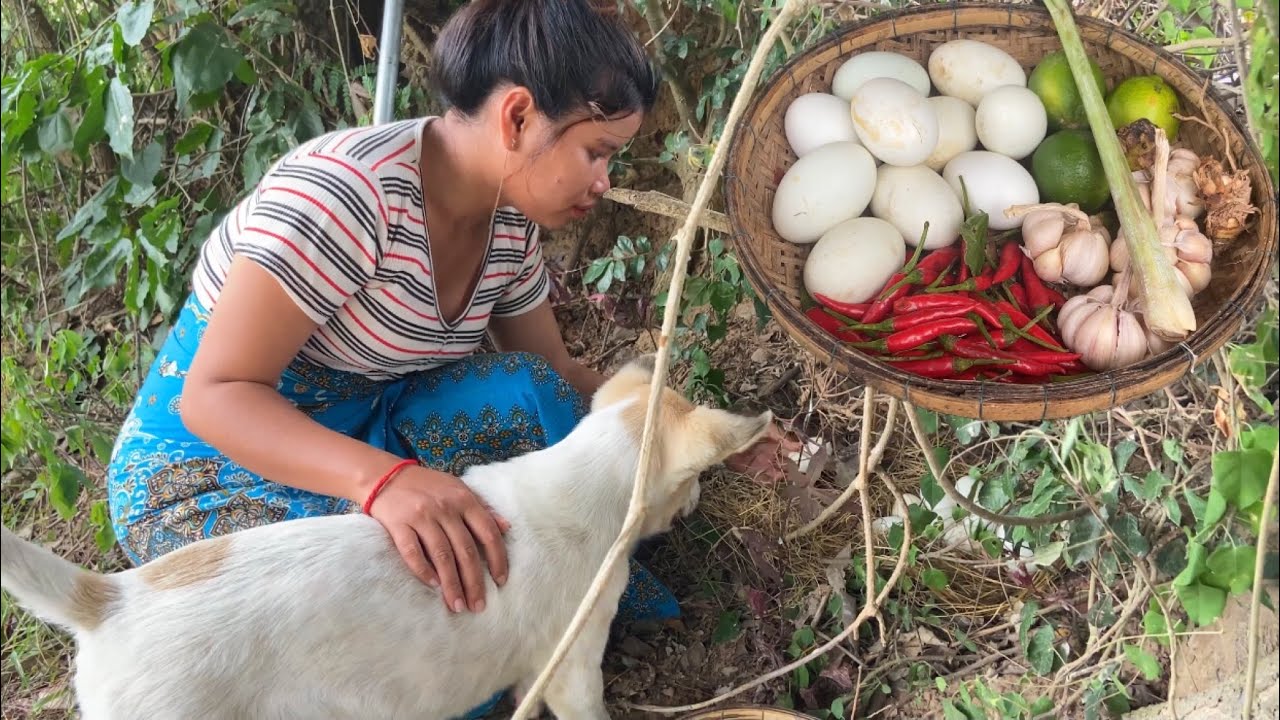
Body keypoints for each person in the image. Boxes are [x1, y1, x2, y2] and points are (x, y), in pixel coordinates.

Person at [105, 0, 795, 714]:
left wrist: (704, 436)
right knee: (428, 615)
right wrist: (386, 483)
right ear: (519, 117)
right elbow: (216, 394)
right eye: (598, 153)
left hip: (365, 419)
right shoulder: (343, 196)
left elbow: (555, 376)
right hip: (209, 466)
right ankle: (518, 628)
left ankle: (571, 591)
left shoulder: (508, 223)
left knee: (529, 396)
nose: (603, 183)